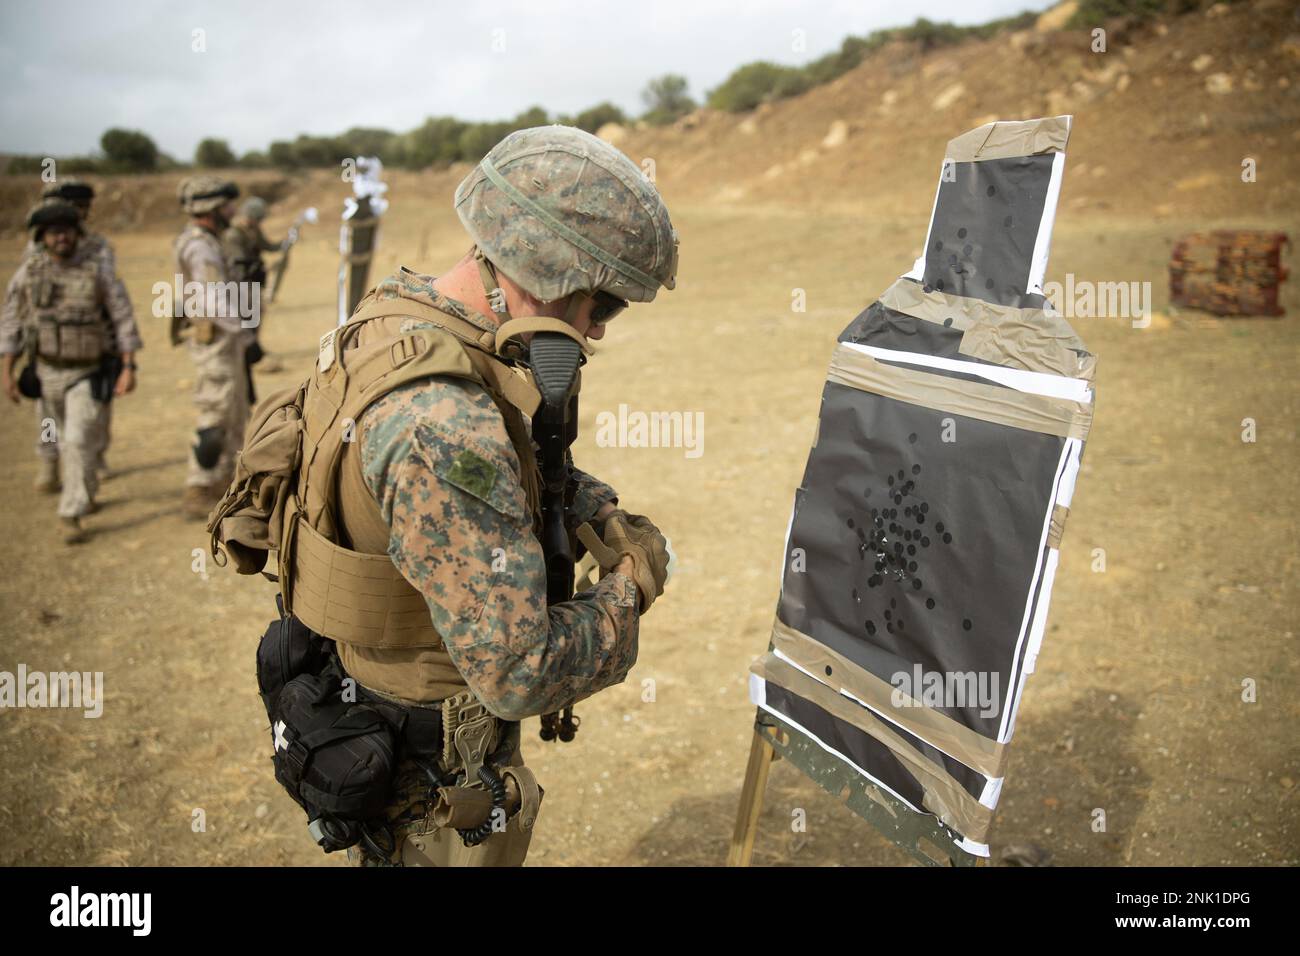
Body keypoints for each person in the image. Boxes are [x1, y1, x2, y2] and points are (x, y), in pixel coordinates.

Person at [215, 125, 678, 866]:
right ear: (546, 268)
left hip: (378, 706)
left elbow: (507, 463)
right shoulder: (443, 423)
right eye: (605, 303)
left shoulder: (396, 319)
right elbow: (518, 670)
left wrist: (596, 512)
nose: (597, 328)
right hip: (435, 769)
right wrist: (634, 585)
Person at [1, 199, 141, 543]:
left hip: (87, 373)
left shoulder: (97, 271)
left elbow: (123, 320)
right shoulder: (30, 272)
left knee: (78, 440)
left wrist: (128, 367)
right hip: (46, 372)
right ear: (42, 237)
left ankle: (71, 512)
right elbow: (12, 320)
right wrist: (7, 370)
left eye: (66, 231)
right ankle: (84, 489)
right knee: (64, 438)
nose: (61, 238)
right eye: (53, 232)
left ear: (77, 234)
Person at [26, 178, 130, 488]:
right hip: (49, 344)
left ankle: (92, 459)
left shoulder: (97, 247)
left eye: (82, 208)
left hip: (94, 342)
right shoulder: (37, 248)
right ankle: (49, 461)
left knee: (95, 409)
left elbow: (113, 296)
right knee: (47, 412)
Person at [174, 176, 251, 519]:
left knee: (234, 413)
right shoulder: (200, 246)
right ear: (210, 208)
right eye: (227, 205)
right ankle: (199, 486)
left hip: (224, 341)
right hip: (216, 341)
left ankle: (225, 482)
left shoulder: (209, 241)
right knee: (215, 414)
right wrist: (247, 337)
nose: (232, 211)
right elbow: (214, 298)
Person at [222, 196, 284, 374]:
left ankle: (253, 348)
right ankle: (246, 351)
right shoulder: (233, 234)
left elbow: (268, 246)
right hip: (241, 284)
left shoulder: (254, 230)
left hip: (254, 282)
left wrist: (285, 243)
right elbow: (239, 262)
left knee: (255, 318)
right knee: (245, 320)